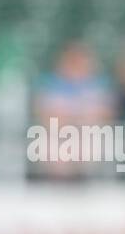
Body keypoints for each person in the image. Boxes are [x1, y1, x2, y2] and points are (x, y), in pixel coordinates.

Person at [32, 41, 119, 179]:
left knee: (92, 140)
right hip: (58, 134)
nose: (77, 64)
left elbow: (106, 115)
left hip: (89, 134)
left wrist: (75, 119)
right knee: (50, 144)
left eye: (81, 59)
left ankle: (89, 183)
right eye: (72, 60)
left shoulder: (99, 84)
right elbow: (46, 116)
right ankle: (57, 184)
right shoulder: (50, 83)